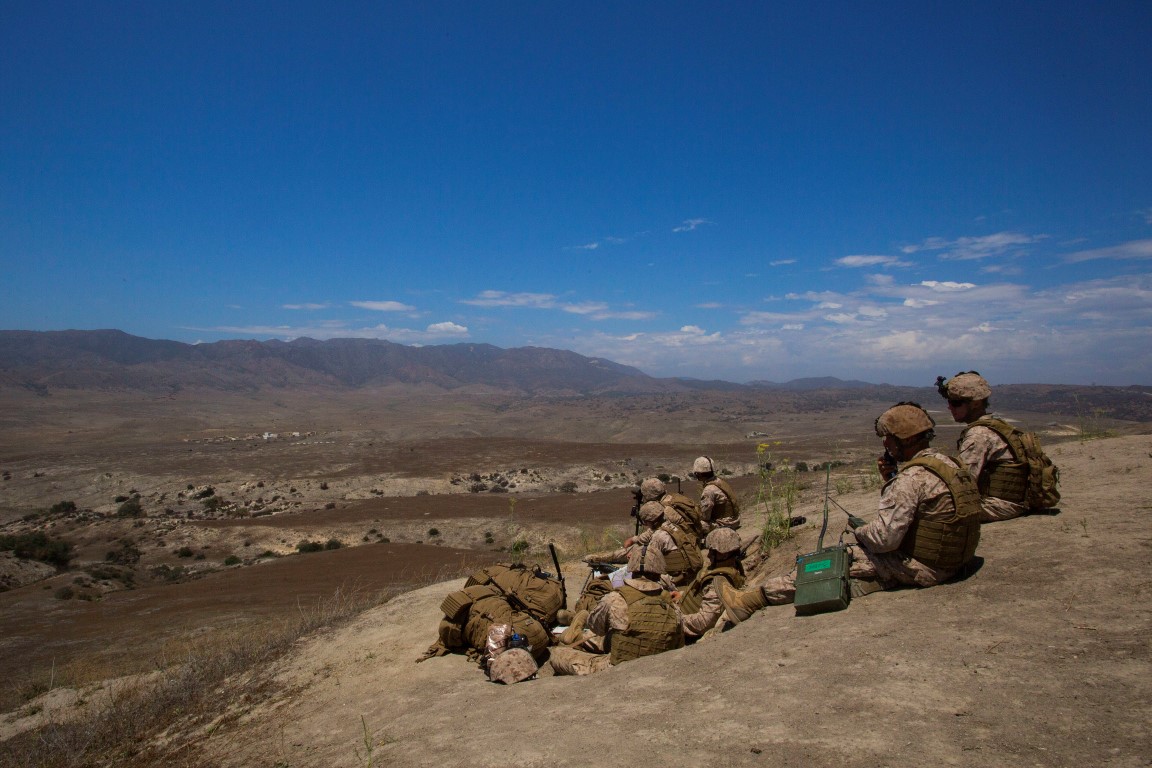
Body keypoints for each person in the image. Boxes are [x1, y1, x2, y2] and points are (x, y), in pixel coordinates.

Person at [719, 402, 981, 621]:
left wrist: (861, 531)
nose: (886, 444)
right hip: (955, 561)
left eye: (890, 438)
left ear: (909, 438)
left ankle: (750, 600)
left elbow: (884, 540)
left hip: (928, 568)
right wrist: (889, 478)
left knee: (826, 562)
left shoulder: (912, 479)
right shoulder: (950, 464)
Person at [549, 544, 684, 675]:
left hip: (619, 669)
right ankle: (576, 635)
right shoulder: (672, 605)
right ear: (659, 572)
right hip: (660, 666)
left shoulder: (616, 598)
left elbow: (596, 628)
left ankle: (574, 635)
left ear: (631, 570)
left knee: (558, 654)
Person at [936, 370, 1028, 522]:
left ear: (976, 403)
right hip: (1013, 502)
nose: (950, 407)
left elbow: (963, 483)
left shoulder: (979, 435)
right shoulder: (995, 425)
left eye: (956, 403)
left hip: (1000, 505)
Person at [677, 527, 746, 641]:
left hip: (686, 632)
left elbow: (703, 623)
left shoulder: (718, 582)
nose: (708, 556)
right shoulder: (733, 567)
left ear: (723, 555)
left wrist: (674, 620)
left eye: (712, 552)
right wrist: (682, 595)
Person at [690, 456, 741, 531]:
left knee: (695, 525)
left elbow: (705, 517)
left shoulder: (708, 490)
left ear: (699, 474)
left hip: (725, 523)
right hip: (735, 521)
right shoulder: (720, 482)